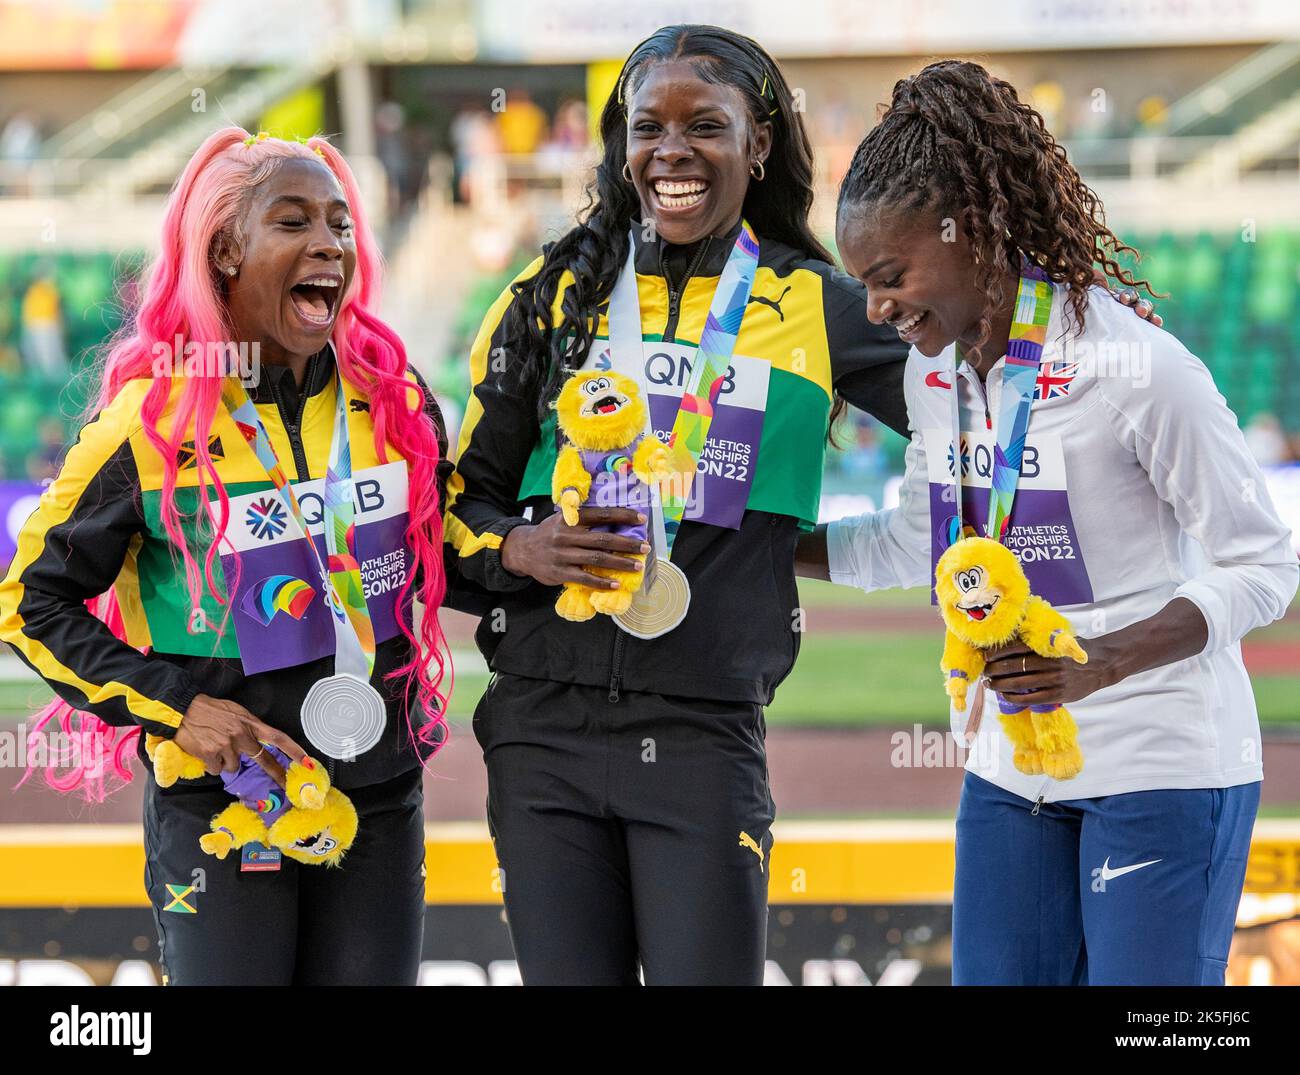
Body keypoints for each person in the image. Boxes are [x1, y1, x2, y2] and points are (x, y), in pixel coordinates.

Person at [445, 27, 1161, 986]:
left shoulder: (822, 307)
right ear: (621, 145)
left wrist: (1110, 354)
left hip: (704, 734)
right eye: (647, 126)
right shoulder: (548, 302)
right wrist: (527, 550)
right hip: (540, 731)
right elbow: (451, 521)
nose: (673, 151)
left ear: (761, 143)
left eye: (707, 125)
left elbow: (988, 392)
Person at [798, 60, 1299, 985]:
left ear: (977, 230)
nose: (874, 310)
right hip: (1012, 770)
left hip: (1162, 765)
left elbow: (1265, 563)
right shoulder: (934, 371)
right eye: (863, 284)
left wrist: (1099, 661)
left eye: (892, 276)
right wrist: (771, 547)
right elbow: (921, 541)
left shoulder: (1135, 367)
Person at [0, 128, 452, 986]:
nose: (329, 242)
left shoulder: (390, 398)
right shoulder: (153, 421)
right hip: (224, 803)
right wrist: (183, 711)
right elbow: (28, 602)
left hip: (377, 797)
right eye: (293, 221)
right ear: (224, 254)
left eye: (340, 223)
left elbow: (451, 548)